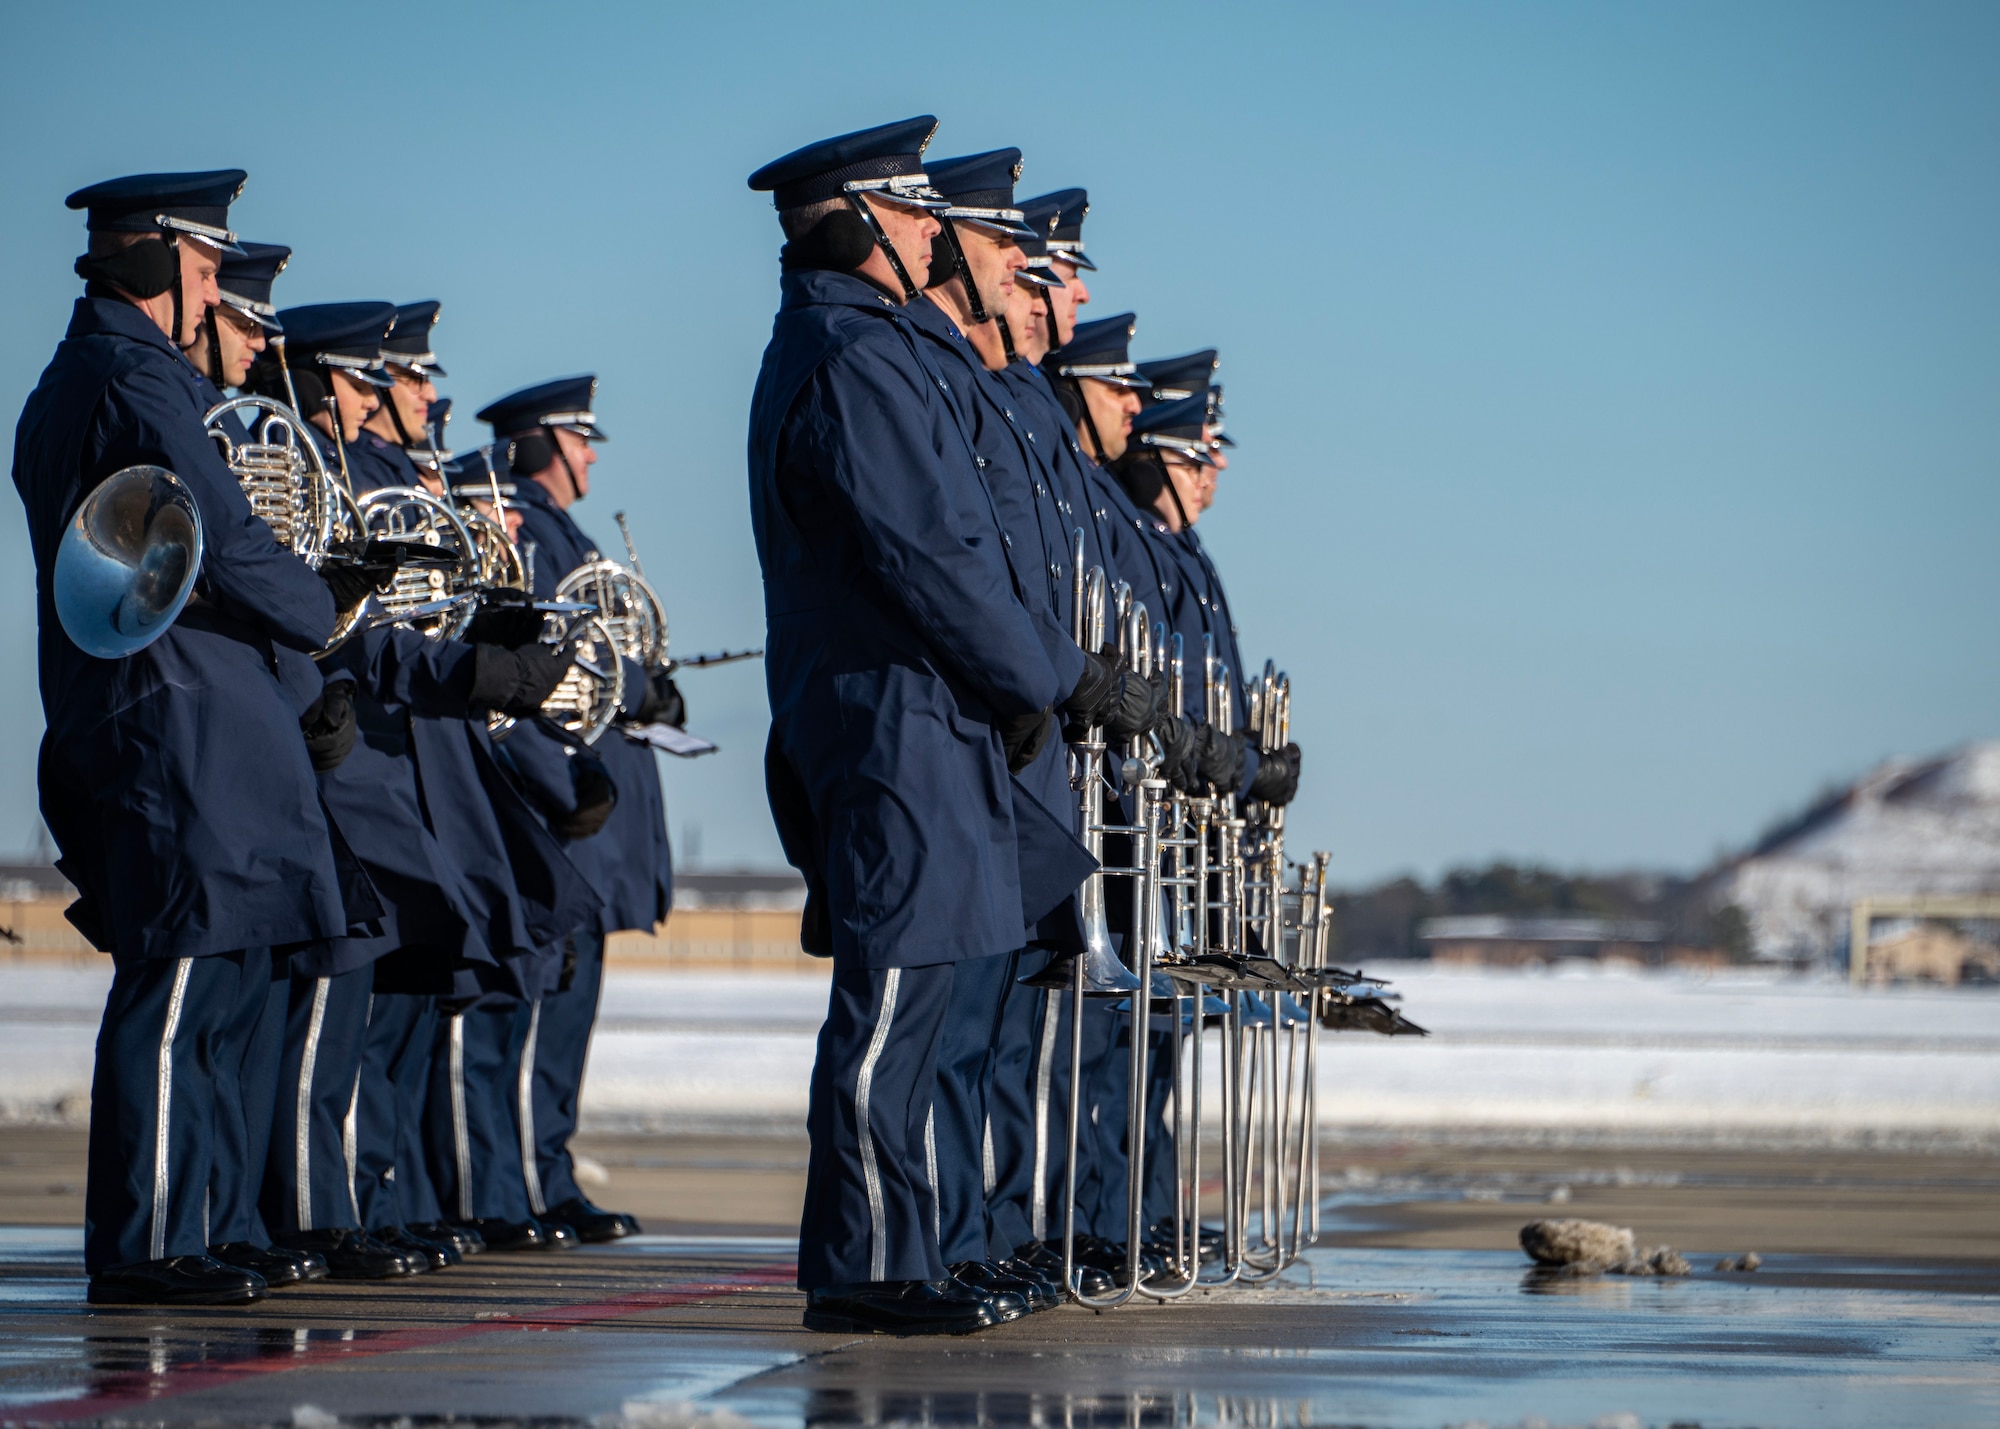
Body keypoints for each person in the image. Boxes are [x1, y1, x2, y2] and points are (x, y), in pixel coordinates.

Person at [747, 116, 1098, 1335]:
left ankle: (907, 1249)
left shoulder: (873, 348)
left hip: (928, 712)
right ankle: (864, 1265)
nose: (931, 231)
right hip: (892, 716)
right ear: (853, 220)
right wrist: (1035, 679)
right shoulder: (850, 356)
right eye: (908, 212)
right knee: (890, 1006)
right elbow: (933, 555)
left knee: (928, 1003)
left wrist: (1021, 679)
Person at [14, 170, 371, 1305]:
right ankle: (148, 1243)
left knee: (219, 987)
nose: (222, 297)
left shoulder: (118, 375)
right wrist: (324, 608)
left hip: (200, 711)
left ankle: (203, 1223)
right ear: (158, 263)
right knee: (178, 990)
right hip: (165, 712)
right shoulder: (130, 377)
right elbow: (219, 529)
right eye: (209, 270)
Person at [901, 148, 1167, 1313]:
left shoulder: (1018, 411)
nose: (1040, 290)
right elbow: (964, 570)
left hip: (1041, 735)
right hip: (984, 726)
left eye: (1044, 270)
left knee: (1008, 1022)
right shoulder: (962, 384)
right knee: (963, 1024)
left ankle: (991, 1228)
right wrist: (1050, 681)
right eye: (1029, 265)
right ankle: (961, 1234)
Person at [474, 374, 675, 1244]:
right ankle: (517, 1186)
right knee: (530, 1025)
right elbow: (569, 657)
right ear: (543, 442)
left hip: (581, 821)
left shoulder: (563, 532)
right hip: (558, 817)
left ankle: (542, 1177)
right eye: (580, 437)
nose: (590, 453)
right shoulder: (534, 533)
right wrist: (638, 686)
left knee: (561, 1025)